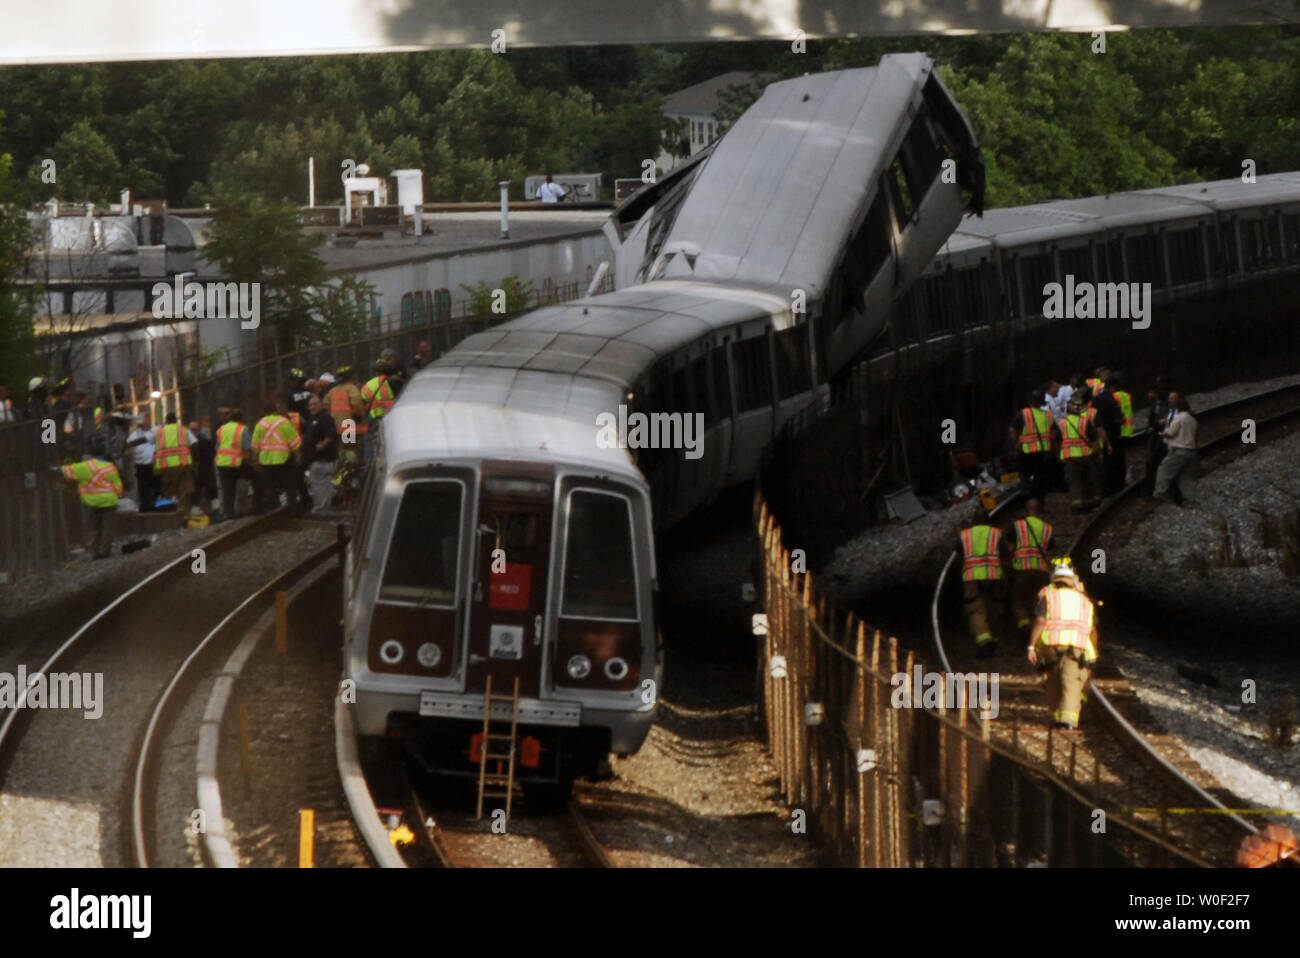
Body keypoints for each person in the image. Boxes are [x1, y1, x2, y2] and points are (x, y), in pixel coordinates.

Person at [1028, 559, 1099, 730]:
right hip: (1076, 648)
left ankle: (1055, 714)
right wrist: (1094, 651)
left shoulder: (1048, 597)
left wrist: (1031, 645)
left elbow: (1039, 621)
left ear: (1054, 580)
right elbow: (1092, 630)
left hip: (1050, 647)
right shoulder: (1085, 602)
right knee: (1072, 682)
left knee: (1052, 680)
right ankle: (1068, 720)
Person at [57, 438, 123, 559]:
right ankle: (105, 551)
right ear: (104, 453)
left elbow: (65, 470)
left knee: (95, 527)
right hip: (109, 501)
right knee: (108, 527)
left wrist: (55, 468)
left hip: (91, 501)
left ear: (91, 454)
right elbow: (118, 485)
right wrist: (118, 495)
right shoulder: (110, 467)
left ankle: (95, 551)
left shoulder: (84, 467)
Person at [959, 522, 1008, 657]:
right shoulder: (996, 533)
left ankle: (984, 639)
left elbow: (958, 553)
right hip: (993, 575)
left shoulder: (965, 534)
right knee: (994, 606)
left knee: (975, 610)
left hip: (972, 577)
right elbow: (1005, 555)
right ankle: (995, 636)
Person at [252, 398, 305, 515]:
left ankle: (272, 511)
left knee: (270, 488)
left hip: (266, 461)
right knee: (290, 487)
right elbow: (294, 442)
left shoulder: (260, 424)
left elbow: (255, 445)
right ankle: (293, 511)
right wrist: (298, 456)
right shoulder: (284, 422)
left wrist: (255, 459)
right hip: (283, 460)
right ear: (275, 409)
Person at [1009, 499, 1053, 634]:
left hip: (1022, 570)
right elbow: (1050, 553)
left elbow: (1010, 549)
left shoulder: (1017, 526)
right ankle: (1037, 631)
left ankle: (1024, 625)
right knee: (1037, 603)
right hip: (1041, 571)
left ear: (1026, 510)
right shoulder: (1047, 528)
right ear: (1040, 511)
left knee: (1018, 602)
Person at [215, 408, 259, 521]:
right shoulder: (242, 429)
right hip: (236, 463)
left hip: (221, 464)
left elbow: (218, 447)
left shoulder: (221, 429)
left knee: (227, 489)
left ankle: (229, 514)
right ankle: (259, 506)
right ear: (241, 419)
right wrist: (253, 463)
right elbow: (248, 449)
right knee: (258, 478)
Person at [1058, 393, 1099, 514]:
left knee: (1074, 481)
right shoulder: (1086, 422)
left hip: (1070, 456)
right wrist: (1098, 453)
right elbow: (1094, 441)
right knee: (1087, 479)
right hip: (1086, 455)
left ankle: (1076, 503)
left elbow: (1058, 440)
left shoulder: (1062, 423)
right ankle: (1089, 502)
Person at [1154, 391, 1197, 505]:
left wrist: (1162, 434)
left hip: (1179, 450)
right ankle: (1190, 499)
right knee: (1185, 476)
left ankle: (1160, 492)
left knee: (1164, 469)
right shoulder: (1192, 420)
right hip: (1191, 451)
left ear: (1178, 408)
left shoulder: (1178, 418)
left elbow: (1171, 433)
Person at [1011, 389, 1053, 501]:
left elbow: (1013, 430)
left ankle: (1026, 498)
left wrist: (1016, 444)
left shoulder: (1023, 414)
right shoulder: (1048, 415)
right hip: (1043, 452)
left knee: (1025, 475)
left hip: (1027, 451)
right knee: (1040, 477)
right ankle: (1038, 499)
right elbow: (1053, 433)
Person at [153, 412, 198, 513]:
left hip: (166, 466)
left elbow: (155, 449)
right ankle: (184, 512)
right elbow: (195, 444)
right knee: (184, 490)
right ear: (176, 420)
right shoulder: (183, 430)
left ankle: (170, 514)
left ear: (166, 421)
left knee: (168, 491)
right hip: (183, 464)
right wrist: (192, 458)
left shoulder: (159, 432)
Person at [302, 394, 338, 513]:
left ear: (321, 405)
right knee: (321, 485)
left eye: (315, 404)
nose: (313, 407)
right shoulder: (311, 419)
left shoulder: (326, 418)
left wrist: (323, 445)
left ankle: (322, 509)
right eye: (311, 405)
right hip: (314, 459)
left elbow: (331, 434)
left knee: (321, 485)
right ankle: (322, 508)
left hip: (323, 458)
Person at [326, 365, 367, 467]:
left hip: (337, 428)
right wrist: (359, 416)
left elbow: (325, 406)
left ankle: (342, 472)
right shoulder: (352, 389)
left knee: (342, 452)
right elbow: (357, 405)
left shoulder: (332, 391)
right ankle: (353, 471)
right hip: (350, 426)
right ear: (350, 376)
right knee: (353, 452)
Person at [360, 359, 396, 464]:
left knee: (370, 440)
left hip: (374, 418)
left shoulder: (370, 384)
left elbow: (363, 400)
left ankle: (369, 464)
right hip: (391, 418)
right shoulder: (395, 382)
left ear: (375, 371)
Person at [126, 414, 158, 511]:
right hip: (141, 465)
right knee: (143, 488)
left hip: (154, 464)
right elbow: (128, 447)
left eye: (144, 420)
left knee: (156, 486)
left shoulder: (156, 431)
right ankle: (145, 506)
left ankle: (157, 505)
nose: (142, 423)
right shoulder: (134, 435)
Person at [190, 420, 219, 514]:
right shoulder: (206, 442)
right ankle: (215, 509)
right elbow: (213, 454)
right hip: (207, 469)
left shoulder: (188, 445)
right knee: (211, 489)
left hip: (194, 470)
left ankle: (195, 510)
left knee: (196, 491)